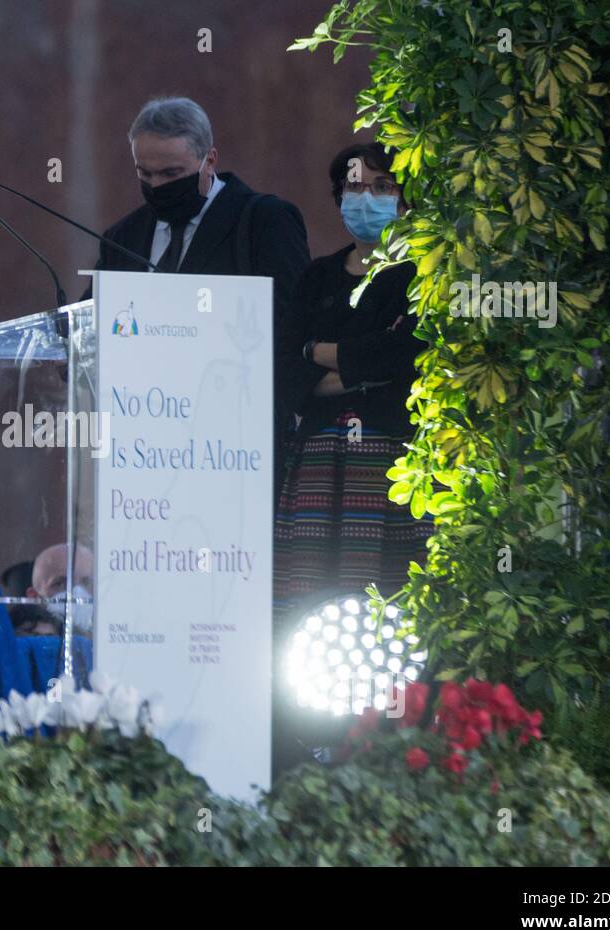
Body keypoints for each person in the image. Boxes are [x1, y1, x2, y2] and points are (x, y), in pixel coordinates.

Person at [273, 143, 431, 619]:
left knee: (389, 602)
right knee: (308, 606)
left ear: (405, 200)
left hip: (390, 460)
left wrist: (317, 352)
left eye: (382, 187)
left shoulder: (421, 275)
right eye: (355, 186)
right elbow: (285, 372)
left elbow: (403, 358)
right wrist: (361, 366)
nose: (366, 197)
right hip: (318, 463)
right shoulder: (316, 277)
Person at [83, 96, 309, 334]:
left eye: (171, 173)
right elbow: (87, 324)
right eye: (145, 174)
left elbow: (295, 322)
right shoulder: (122, 237)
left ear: (209, 161)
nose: (157, 185)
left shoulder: (266, 222)